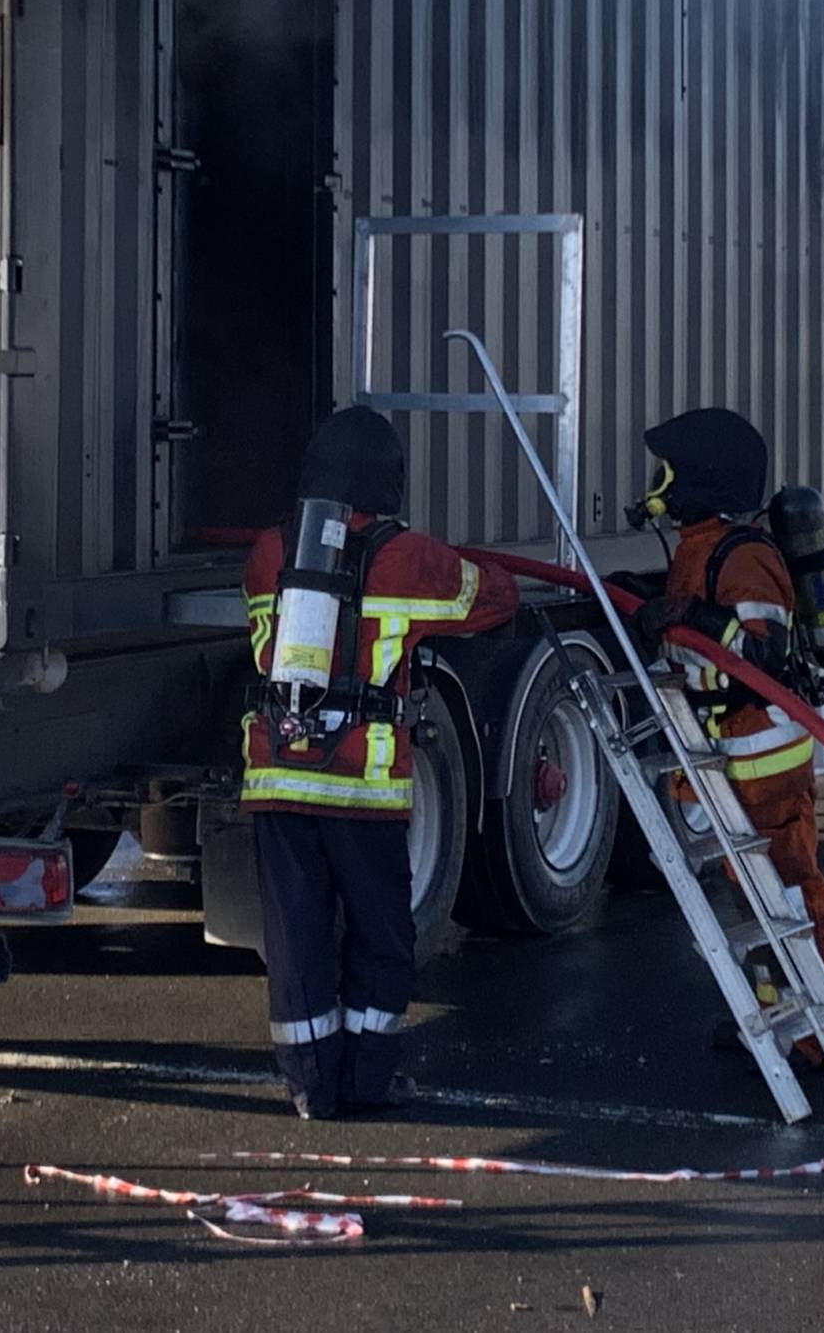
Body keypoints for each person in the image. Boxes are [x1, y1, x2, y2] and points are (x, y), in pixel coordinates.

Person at [240, 407, 519, 1119]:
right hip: (363, 787)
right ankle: (368, 1080)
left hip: (276, 779)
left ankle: (309, 1085)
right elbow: (493, 600)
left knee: (295, 942)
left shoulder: (269, 551)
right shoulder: (411, 558)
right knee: (382, 935)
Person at [629, 409, 824, 1045]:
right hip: (732, 761)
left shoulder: (743, 555)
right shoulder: (702, 547)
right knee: (755, 901)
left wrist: (690, 614)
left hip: (763, 765)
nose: (658, 482)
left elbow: (760, 656)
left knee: (791, 896)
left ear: (701, 479)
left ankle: (819, 1032)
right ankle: (777, 1017)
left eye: (668, 472)